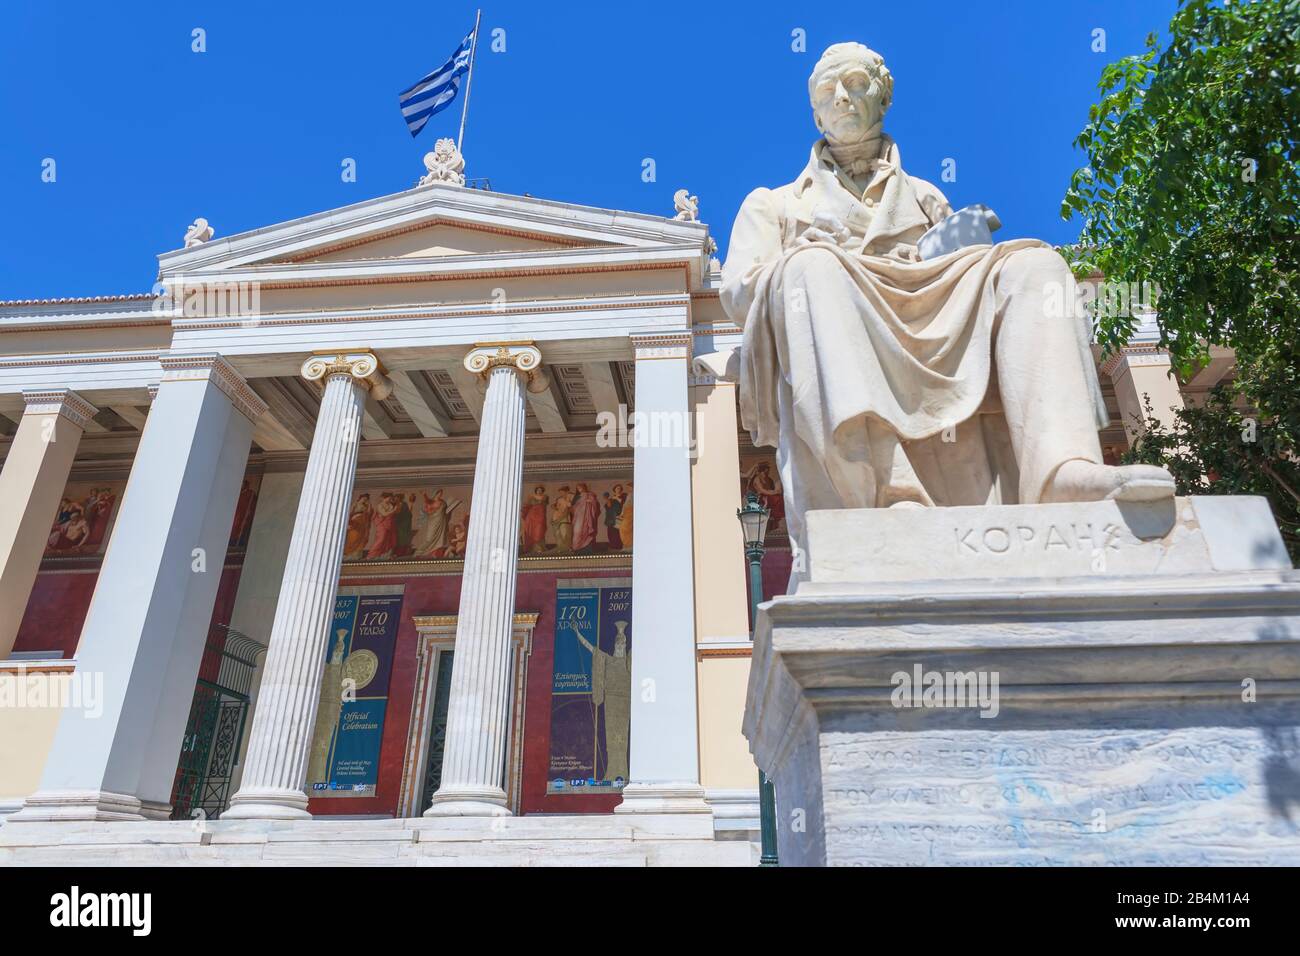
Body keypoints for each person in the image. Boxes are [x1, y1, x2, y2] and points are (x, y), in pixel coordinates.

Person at [721, 42, 1174, 559]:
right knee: (809, 270)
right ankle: (889, 493)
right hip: (836, 317)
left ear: (883, 96)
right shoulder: (775, 203)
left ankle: (1061, 469)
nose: (842, 98)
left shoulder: (925, 196)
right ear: (815, 112)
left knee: (1037, 265)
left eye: (854, 83)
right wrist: (798, 255)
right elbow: (739, 291)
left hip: (931, 315)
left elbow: (959, 267)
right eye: (828, 90)